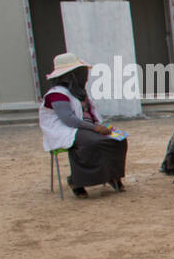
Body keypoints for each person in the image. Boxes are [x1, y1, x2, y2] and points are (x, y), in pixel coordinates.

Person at [38, 52, 128, 198]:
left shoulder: (79, 92)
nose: (85, 76)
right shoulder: (56, 94)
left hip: (87, 127)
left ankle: (112, 176)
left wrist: (102, 125)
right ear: (71, 75)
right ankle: (76, 181)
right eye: (81, 72)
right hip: (67, 130)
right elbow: (69, 120)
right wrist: (95, 128)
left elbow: (92, 113)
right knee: (94, 142)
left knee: (118, 139)